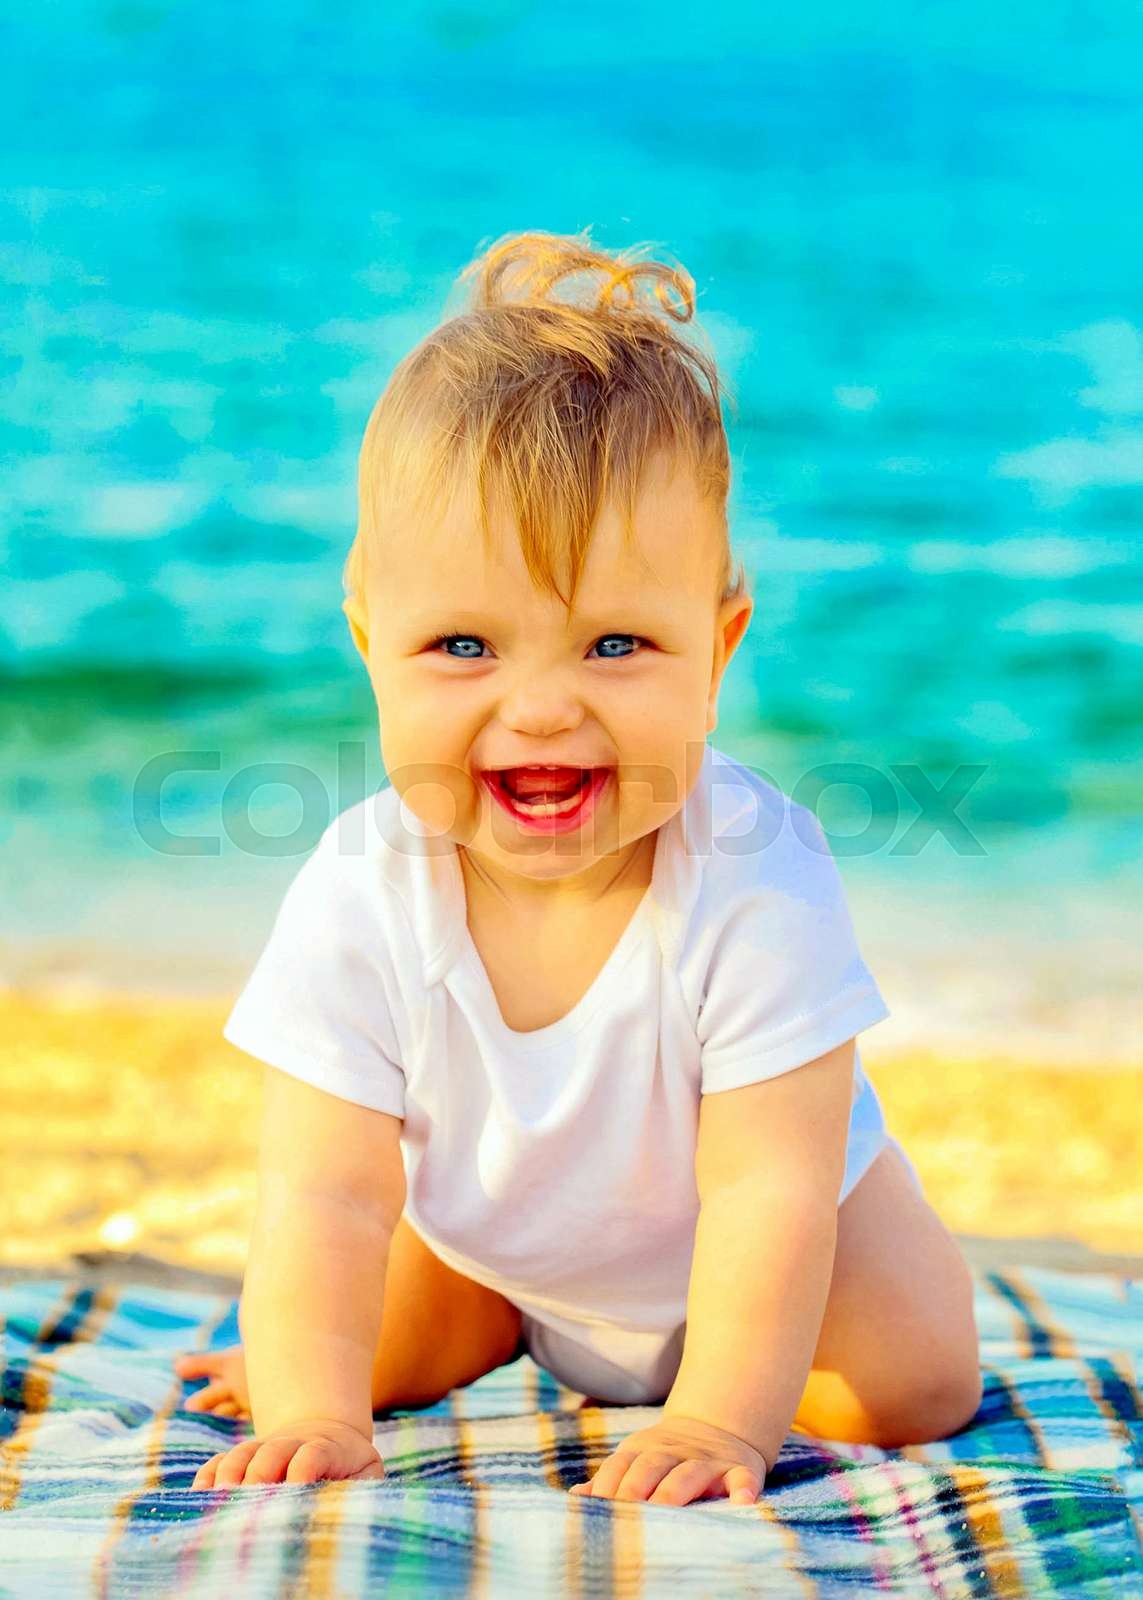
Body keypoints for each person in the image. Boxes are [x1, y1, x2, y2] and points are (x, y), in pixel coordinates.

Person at [175, 228, 982, 1505]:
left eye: (615, 644)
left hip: (786, 1253)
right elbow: (323, 1194)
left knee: (913, 1391)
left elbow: (768, 1190)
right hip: (510, 1248)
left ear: (716, 653)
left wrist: (717, 1420)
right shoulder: (361, 888)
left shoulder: (756, 877)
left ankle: (679, 1361)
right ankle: (491, 1312)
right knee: (338, 1348)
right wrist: (311, 1405)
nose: (543, 708)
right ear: (370, 647)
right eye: (463, 646)